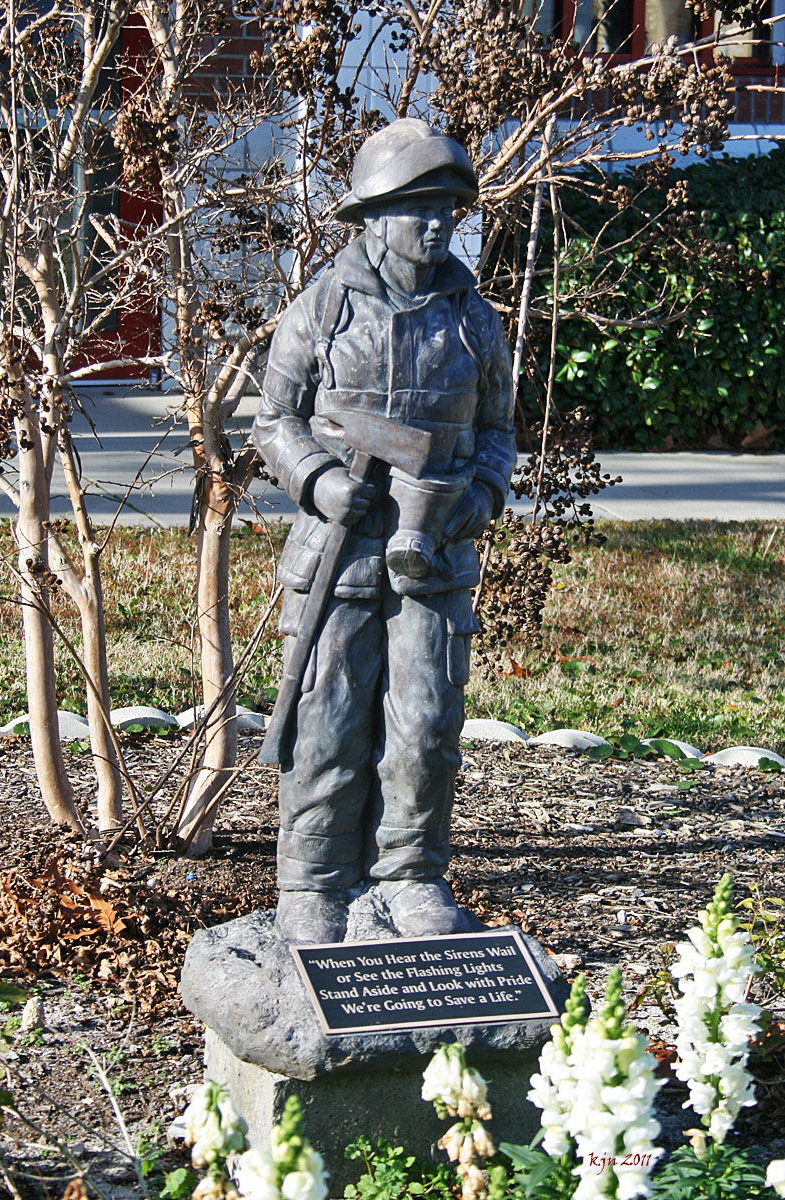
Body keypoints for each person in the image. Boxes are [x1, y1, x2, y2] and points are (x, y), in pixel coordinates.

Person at [252, 118, 516, 944]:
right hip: (338, 555)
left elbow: (500, 432)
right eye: (417, 208)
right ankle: (315, 878)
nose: (437, 224)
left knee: (427, 725)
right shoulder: (322, 310)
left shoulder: (473, 320)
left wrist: (477, 501)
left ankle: (409, 875)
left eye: (449, 209)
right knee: (326, 716)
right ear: (370, 217)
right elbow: (273, 421)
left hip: (435, 556)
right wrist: (321, 480)